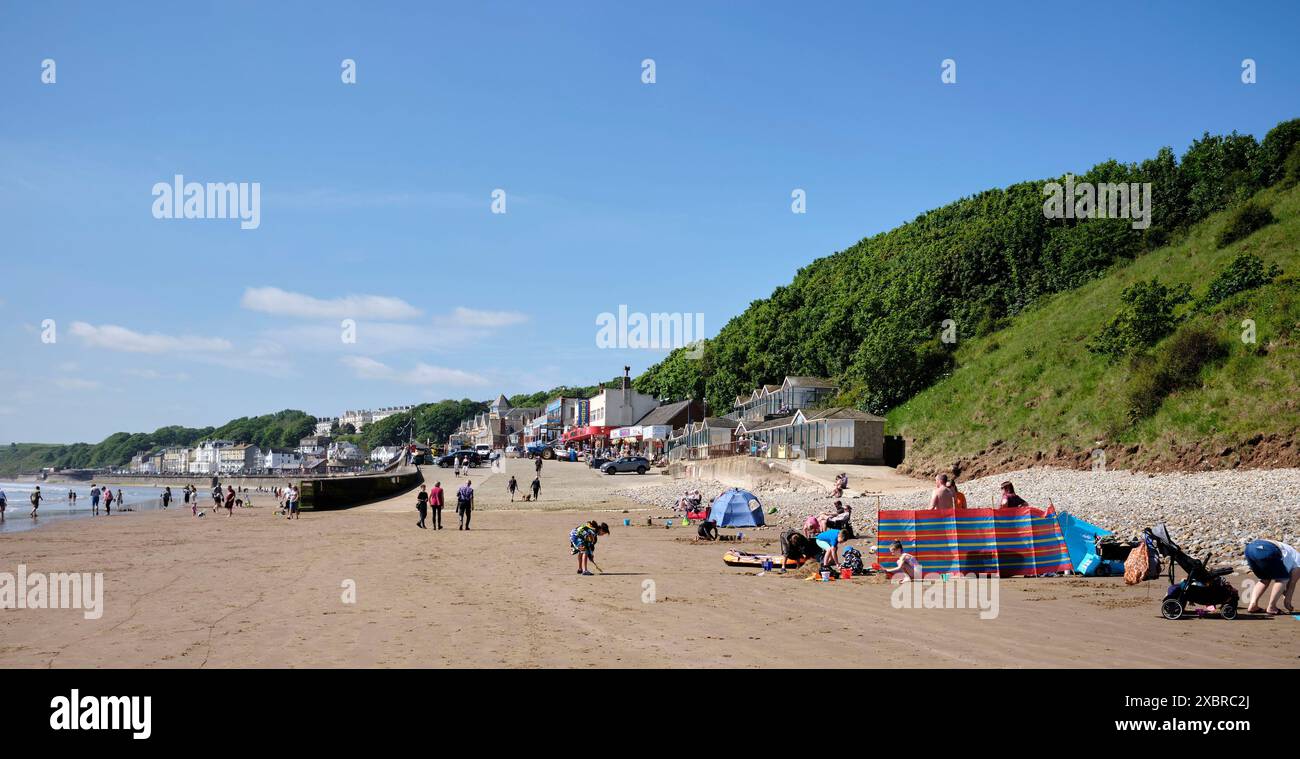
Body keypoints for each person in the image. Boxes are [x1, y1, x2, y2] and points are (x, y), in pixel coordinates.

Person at [1243, 539, 1299, 615]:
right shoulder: (1298, 562)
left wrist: (1285, 594)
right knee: (1282, 579)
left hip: (1250, 549)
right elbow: (1291, 584)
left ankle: (1253, 605)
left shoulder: (1293, 554)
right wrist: (1287, 602)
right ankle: (1272, 607)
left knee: (1264, 579)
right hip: (1267, 549)